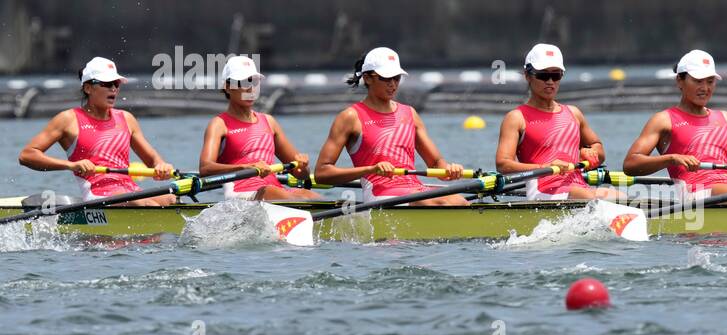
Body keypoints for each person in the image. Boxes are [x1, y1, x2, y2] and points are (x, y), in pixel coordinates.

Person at [622, 49, 727, 204]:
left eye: (710, 81)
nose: (705, 88)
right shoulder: (663, 120)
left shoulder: (725, 118)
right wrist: (672, 159)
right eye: (698, 81)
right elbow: (630, 164)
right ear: (680, 80)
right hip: (694, 192)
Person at [314, 47, 469, 206]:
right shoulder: (350, 117)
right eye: (386, 78)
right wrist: (371, 169)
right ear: (368, 78)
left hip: (413, 189)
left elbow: (436, 163)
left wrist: (449, 171)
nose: (393, 84)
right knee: (433, 202)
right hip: (380, 192)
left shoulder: (410, 114)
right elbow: (322, 173)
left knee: (459, 201)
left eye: (396, 78)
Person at [18, 57, 176, 206]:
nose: (113, 89)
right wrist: (71, 165)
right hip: (98, 195)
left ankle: (151, 234)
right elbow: (27, 155)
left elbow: (152, 160)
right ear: (88, 88)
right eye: (107, 84)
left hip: (130, 191)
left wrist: (161, 166)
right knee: (145, 204)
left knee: (171, 199)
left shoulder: (127, 119)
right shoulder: (68, 119)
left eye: (116, 84)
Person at [494, 44, 617, 200]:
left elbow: (599, 150)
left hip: (579, 187)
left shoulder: (574, 113)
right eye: (543, 75)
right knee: (593, 198)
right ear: (528, 75)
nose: (550, 81)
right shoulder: (516, 118)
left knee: (621, 197)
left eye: (556, 75)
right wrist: (545, 167)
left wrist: (590, 152)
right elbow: (503, 164)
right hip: (543, 190)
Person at [198, 56, 319, 200]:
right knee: (276, 193)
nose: (250, 88)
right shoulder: (219, 124)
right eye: (243, 82)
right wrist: (245, 167)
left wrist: (303, 166)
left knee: (311, 196)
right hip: (242, 192)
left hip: (273, 190)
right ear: (227, 86)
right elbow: (205, 168)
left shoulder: (269, 121)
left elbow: (301, 175)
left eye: (254, 82)